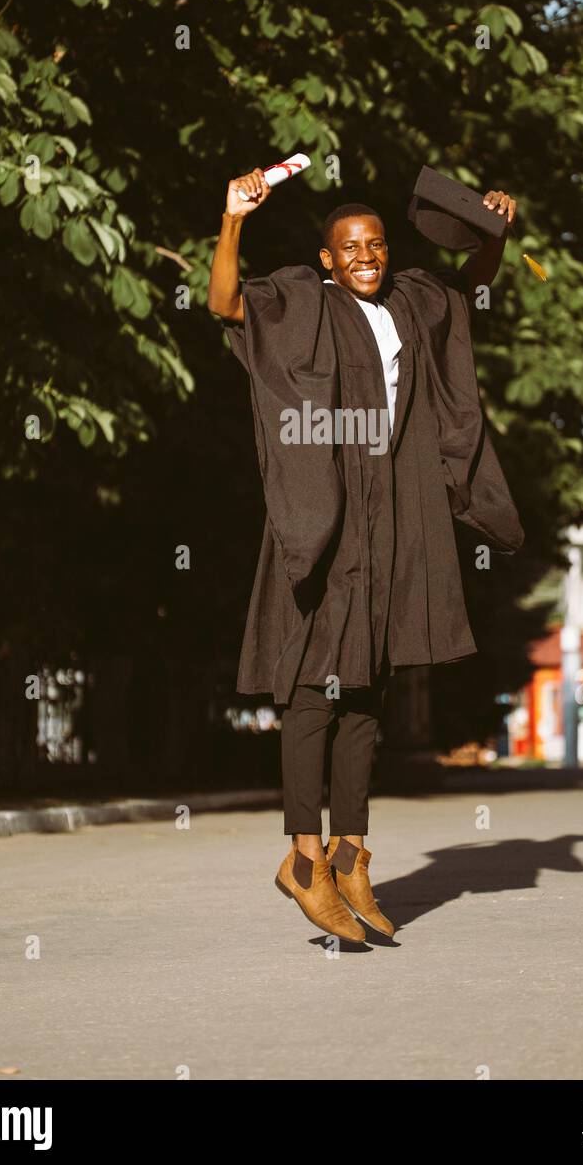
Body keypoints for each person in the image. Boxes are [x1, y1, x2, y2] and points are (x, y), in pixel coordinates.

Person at [205, 166, 524, 944]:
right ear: (327, 258)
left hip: (393, 515)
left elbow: (469, 285)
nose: (366, 256)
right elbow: (225, 303)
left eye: (376, 243)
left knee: (367, 694)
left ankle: (350, 856)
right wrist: (233, 220)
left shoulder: (413, 301)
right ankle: (303, 856)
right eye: (350, 247)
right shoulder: (304, 301)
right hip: (327, 512)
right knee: (314, 685)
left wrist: (494, 233)